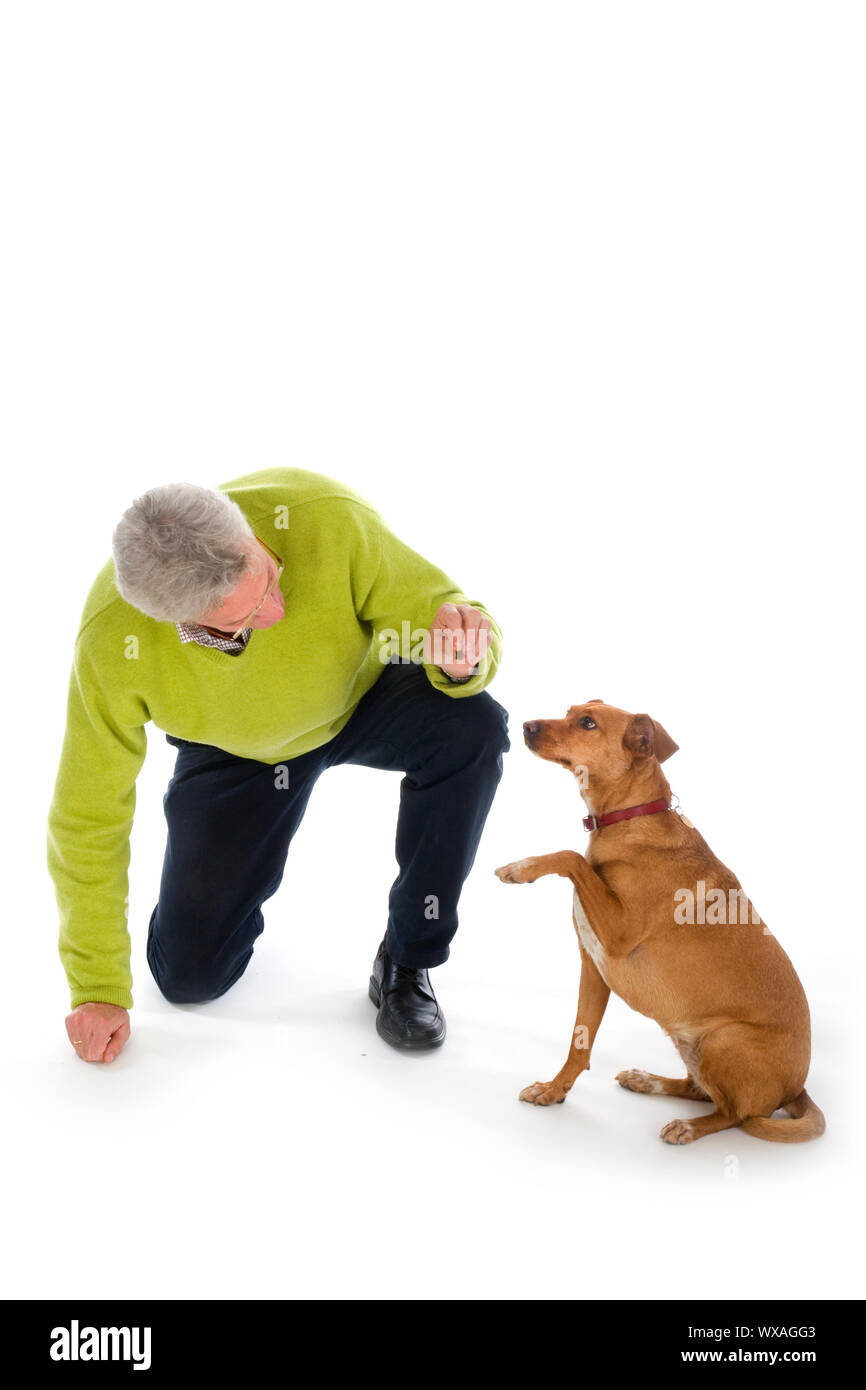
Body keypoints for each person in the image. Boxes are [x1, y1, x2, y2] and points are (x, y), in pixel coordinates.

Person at [47, 466, 509, 1063]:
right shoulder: (113, 638)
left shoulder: (323, 514)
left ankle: (408, 957)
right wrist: (96, 986)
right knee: (189, 980)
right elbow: (86, 816)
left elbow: (449, 614)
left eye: (267, 576)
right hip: (237, 751)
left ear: (247, 532)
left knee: (474, 726)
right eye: (241, 620)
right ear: (178, 624)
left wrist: (462, 659)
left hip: (357, 696)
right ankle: (213, 899)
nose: (275, 612)